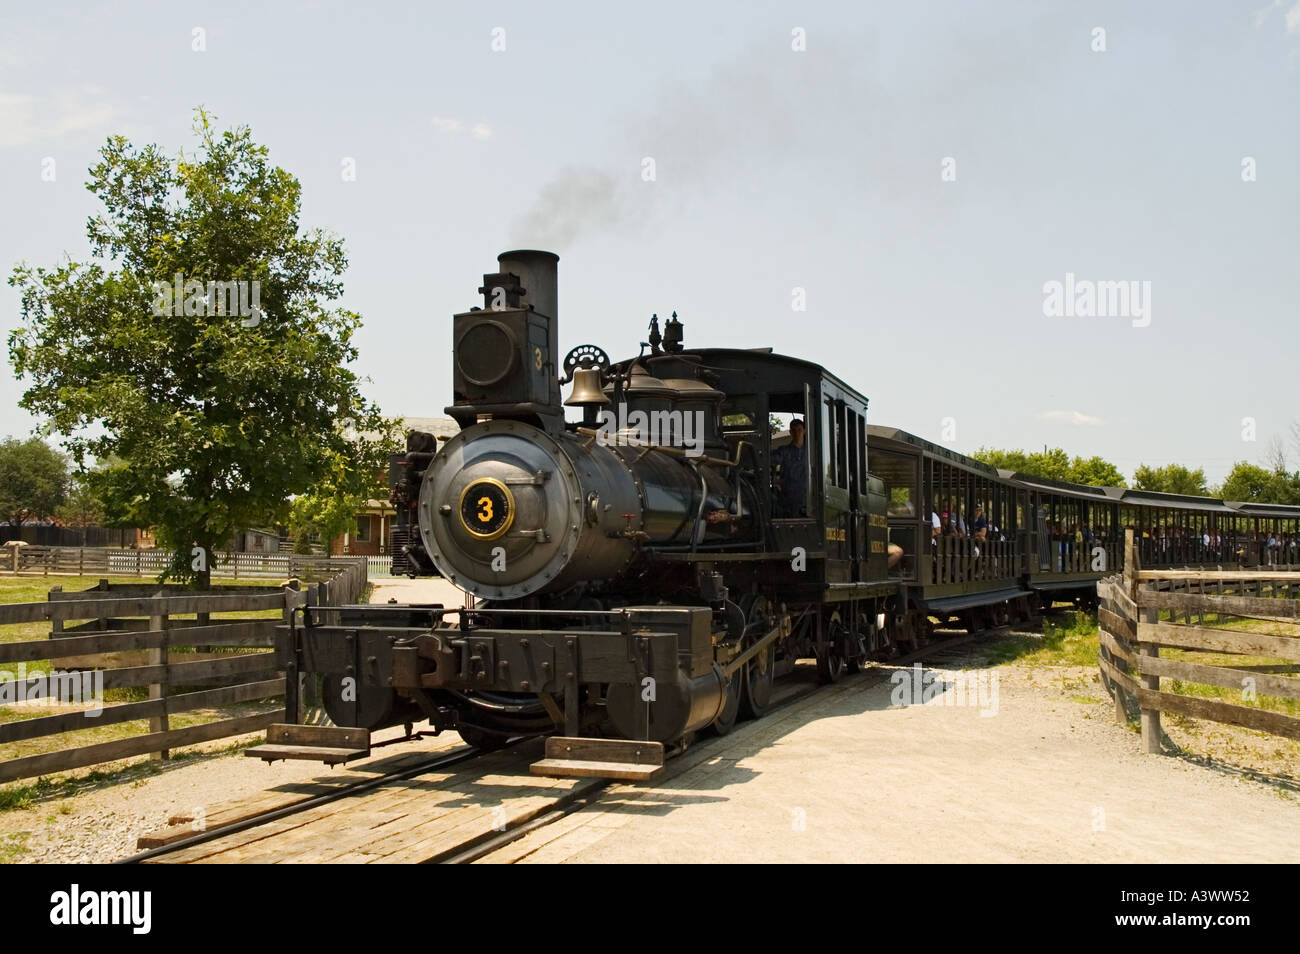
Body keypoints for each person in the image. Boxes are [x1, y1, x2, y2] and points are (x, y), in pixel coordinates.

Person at [771, 418, 808, 517]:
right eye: (794, 430)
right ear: (790, 432)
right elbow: (770, 460)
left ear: (804, 431)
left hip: (807, 501)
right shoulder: (783, 451)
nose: (797, 433)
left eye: (799, 430)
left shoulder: (810, 453)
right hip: (787, 502)